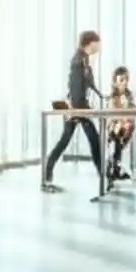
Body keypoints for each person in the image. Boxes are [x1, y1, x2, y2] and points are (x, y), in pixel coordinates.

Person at [43, 30, 105, 193]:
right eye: (96, 43)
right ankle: (104, 177)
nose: (98, 47)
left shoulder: (83, 60)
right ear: (89, 43)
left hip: (80, 109)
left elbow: (86, 86)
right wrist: (77, 111)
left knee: (77, 141)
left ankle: (47, 175)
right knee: (92, 141)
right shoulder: (78, 61)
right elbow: (75, 87)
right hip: (77, 109)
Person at [105, 66, 136, 183]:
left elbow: (132, 110)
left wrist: (126, 121)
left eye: (126, 79)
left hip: (126, 125)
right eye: (121, 80)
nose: (124, 83)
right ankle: (114, 166)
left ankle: (114, 166)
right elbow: (112, 115)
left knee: (126, 128)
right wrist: (121, 121)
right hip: (114, 125)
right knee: (117, 132)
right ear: (115, 82)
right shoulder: (113, 97)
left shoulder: (129, 95)